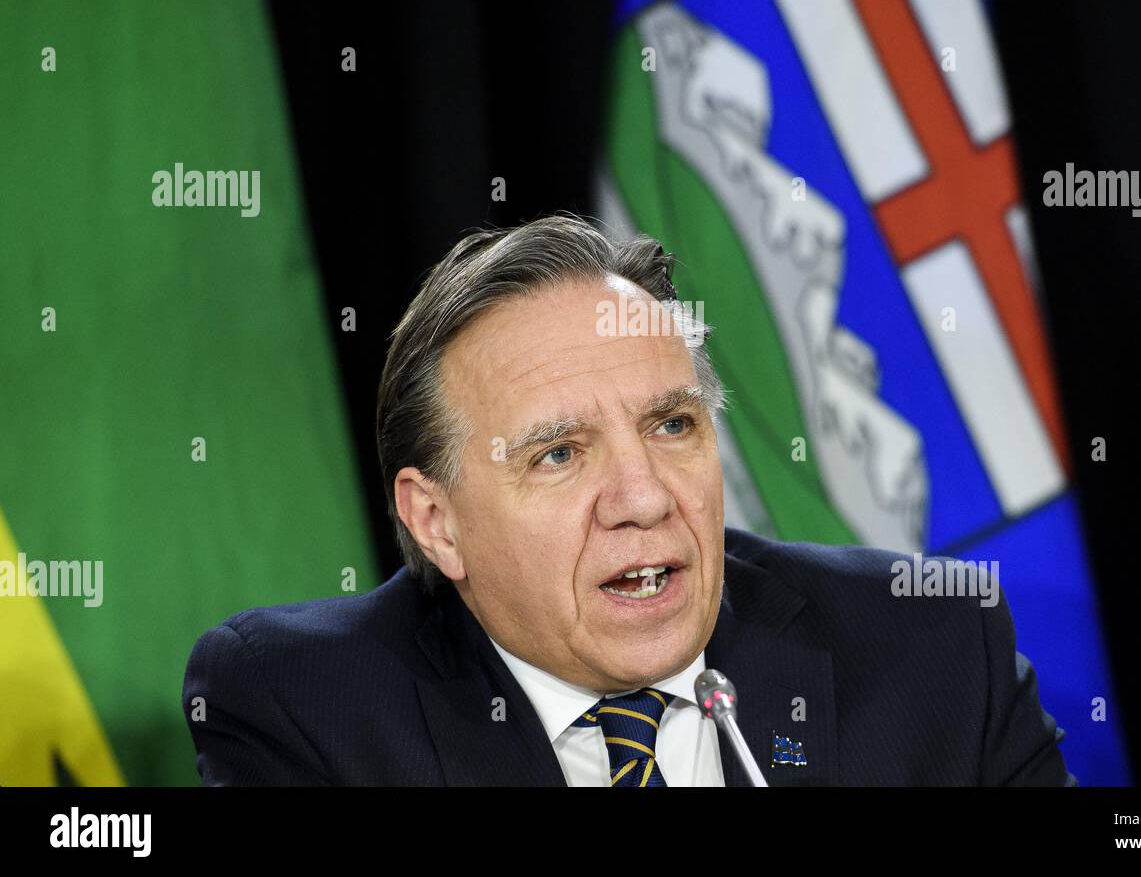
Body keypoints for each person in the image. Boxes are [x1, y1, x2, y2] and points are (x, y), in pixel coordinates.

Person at [182, 212, 1076, 786]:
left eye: (672, 425)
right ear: (437, 521)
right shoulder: (306, 708)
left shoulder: (932, 650)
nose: (644, 496)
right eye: (561, 453)